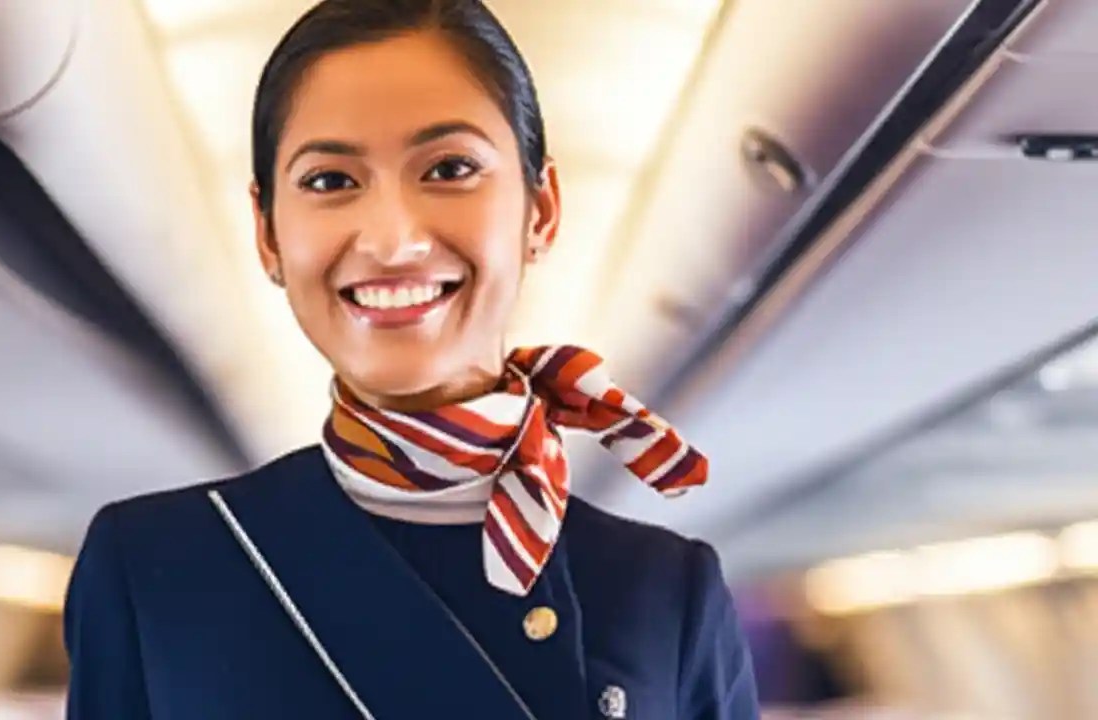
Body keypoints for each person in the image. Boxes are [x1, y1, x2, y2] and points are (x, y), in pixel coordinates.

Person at [63, 1, 760, 717]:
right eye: (331, 181)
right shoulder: (152, 570)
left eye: (450, 168)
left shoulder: (667, 594)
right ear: (268, 233)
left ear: (540, 210)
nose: (393, 241)